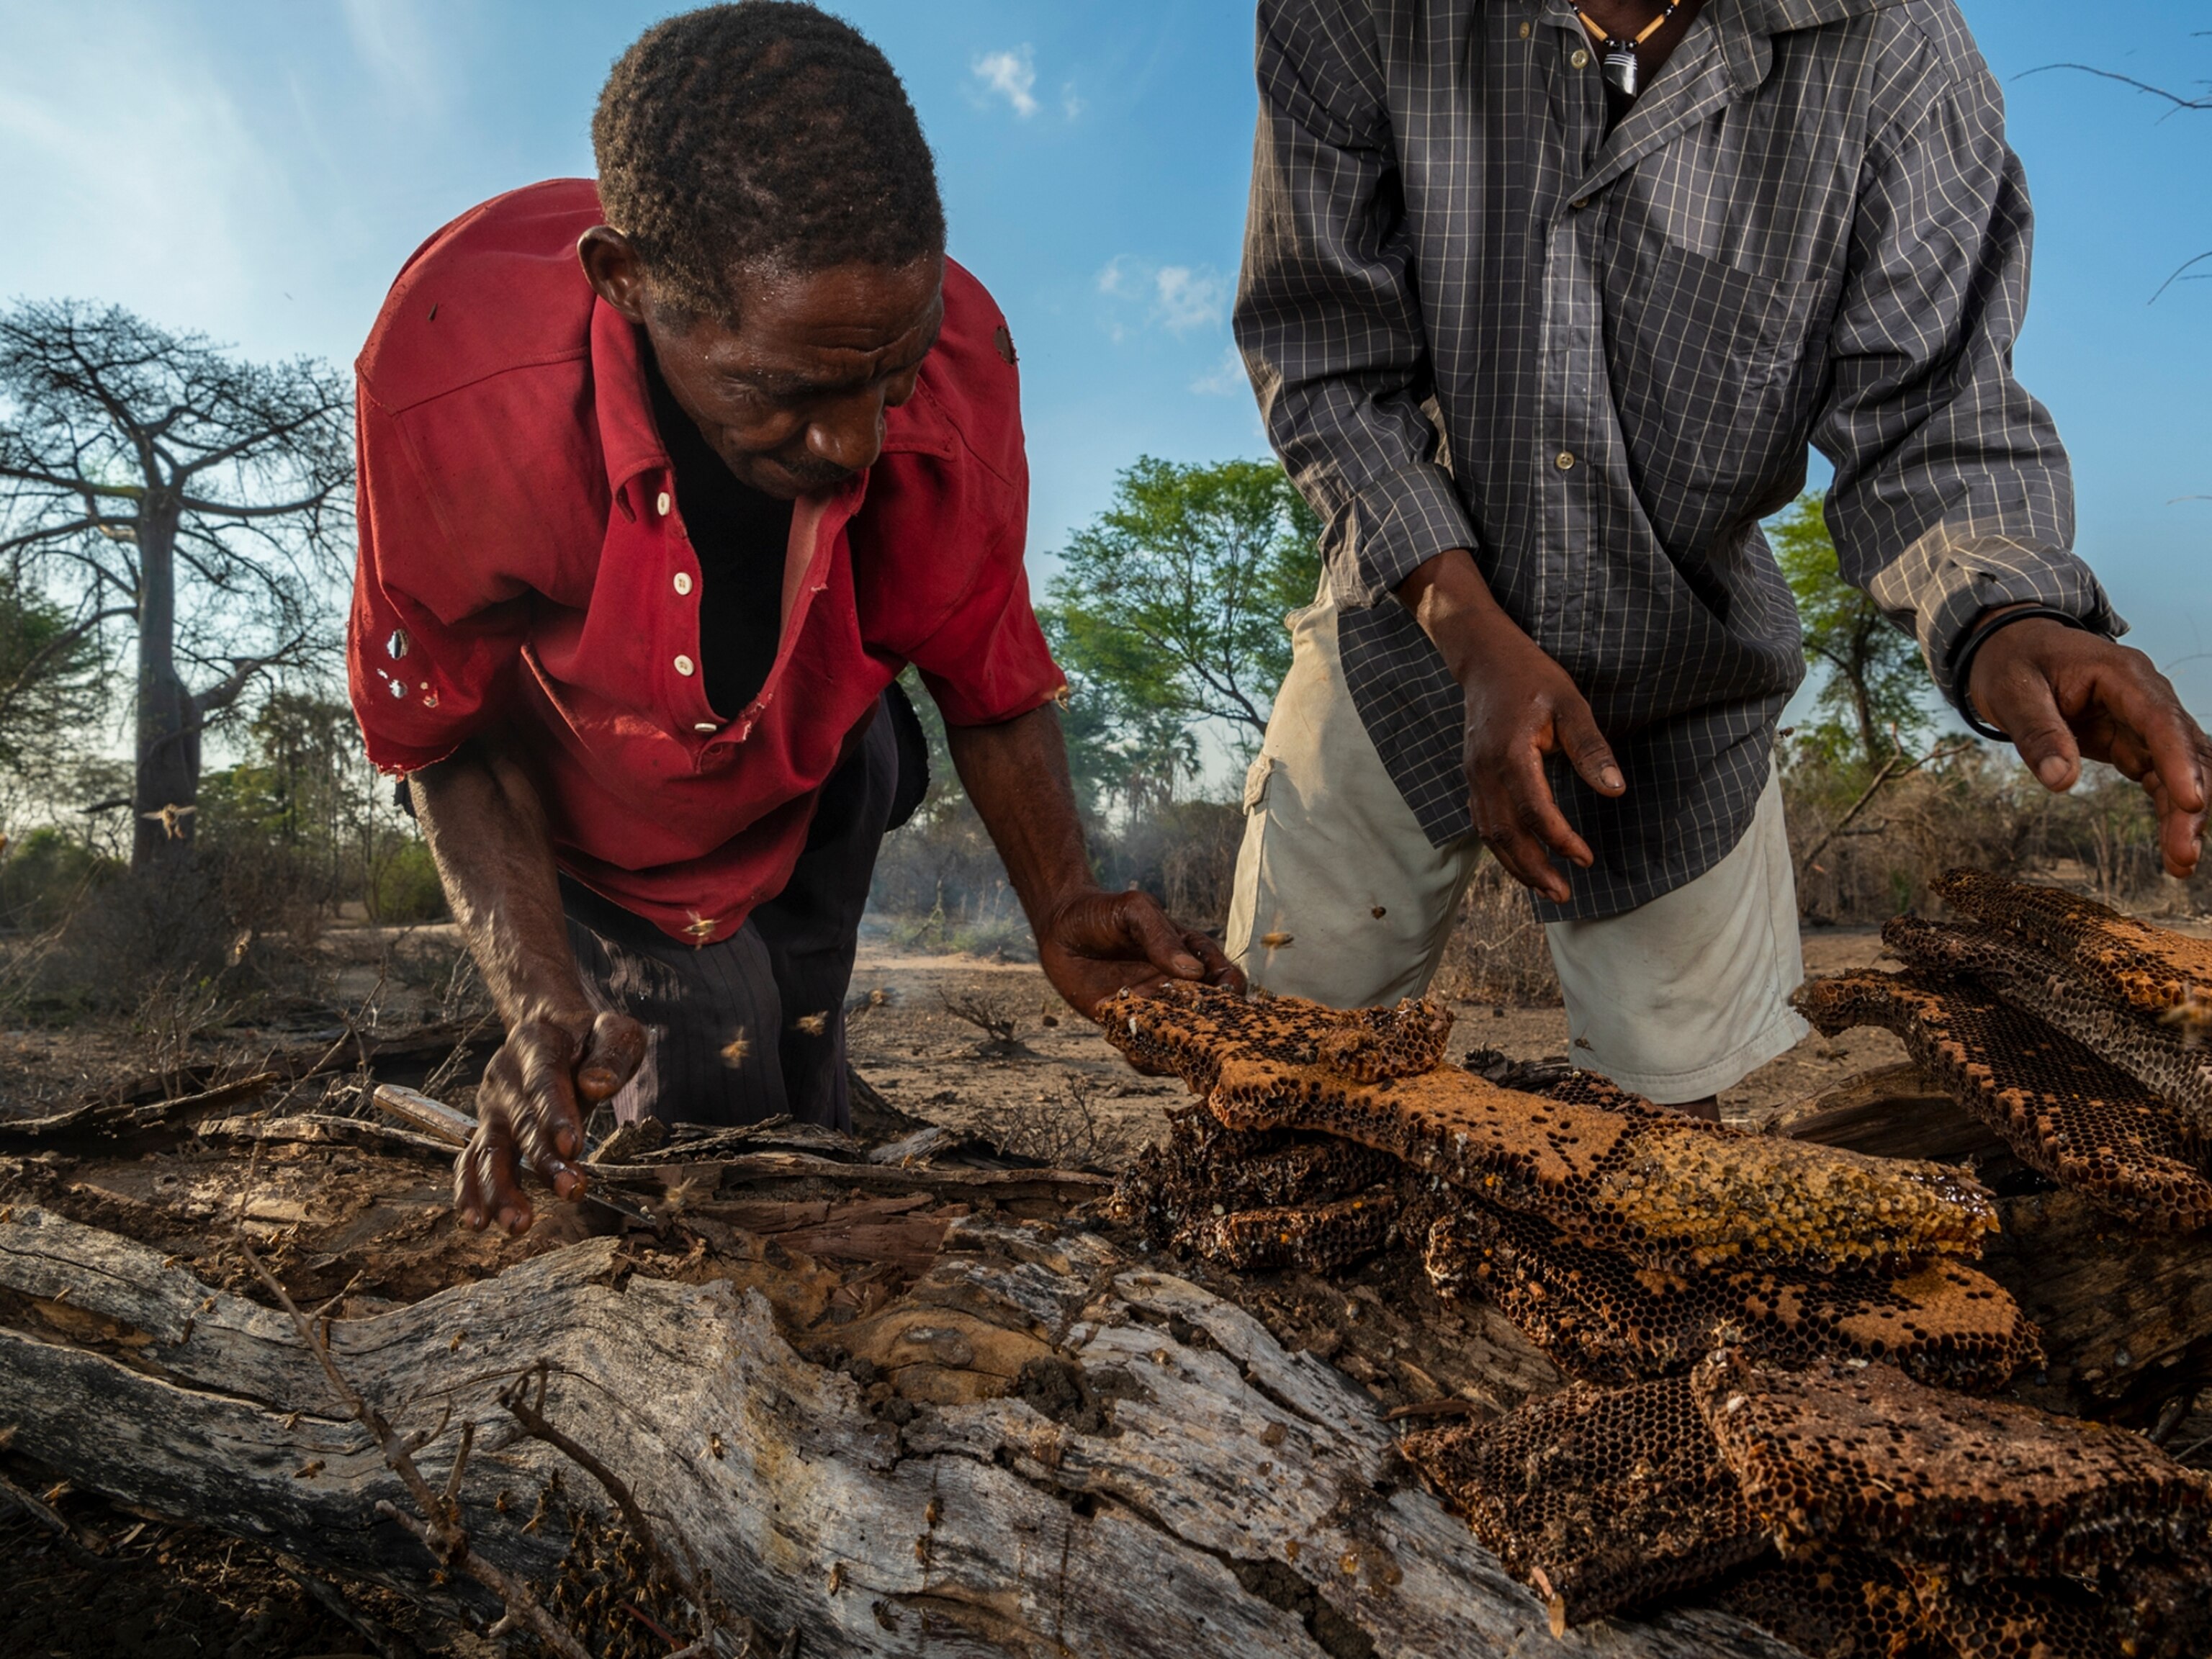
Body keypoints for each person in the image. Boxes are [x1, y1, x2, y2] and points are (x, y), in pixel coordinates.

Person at [1226, 0, 2212, 1117]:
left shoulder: (1894, 48)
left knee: (1686, 1149)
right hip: (1401, 641)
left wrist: (2009, 614)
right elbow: (1326, 360)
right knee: (1272, 1079)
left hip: (1686, 680)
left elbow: (1930, 406)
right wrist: (1470, 629)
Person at [348, 2, 1234, 1235]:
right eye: (789, 389)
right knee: (703, 1127)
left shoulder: (962, 356)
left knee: (798, 1068)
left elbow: (983, 665)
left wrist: (1062, 899)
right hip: (598, 810)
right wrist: (539, 1000)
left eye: (894, 369)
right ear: (628, 284)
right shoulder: (459, 378)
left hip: (828, 759)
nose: (859, 441)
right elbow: (444, 731)